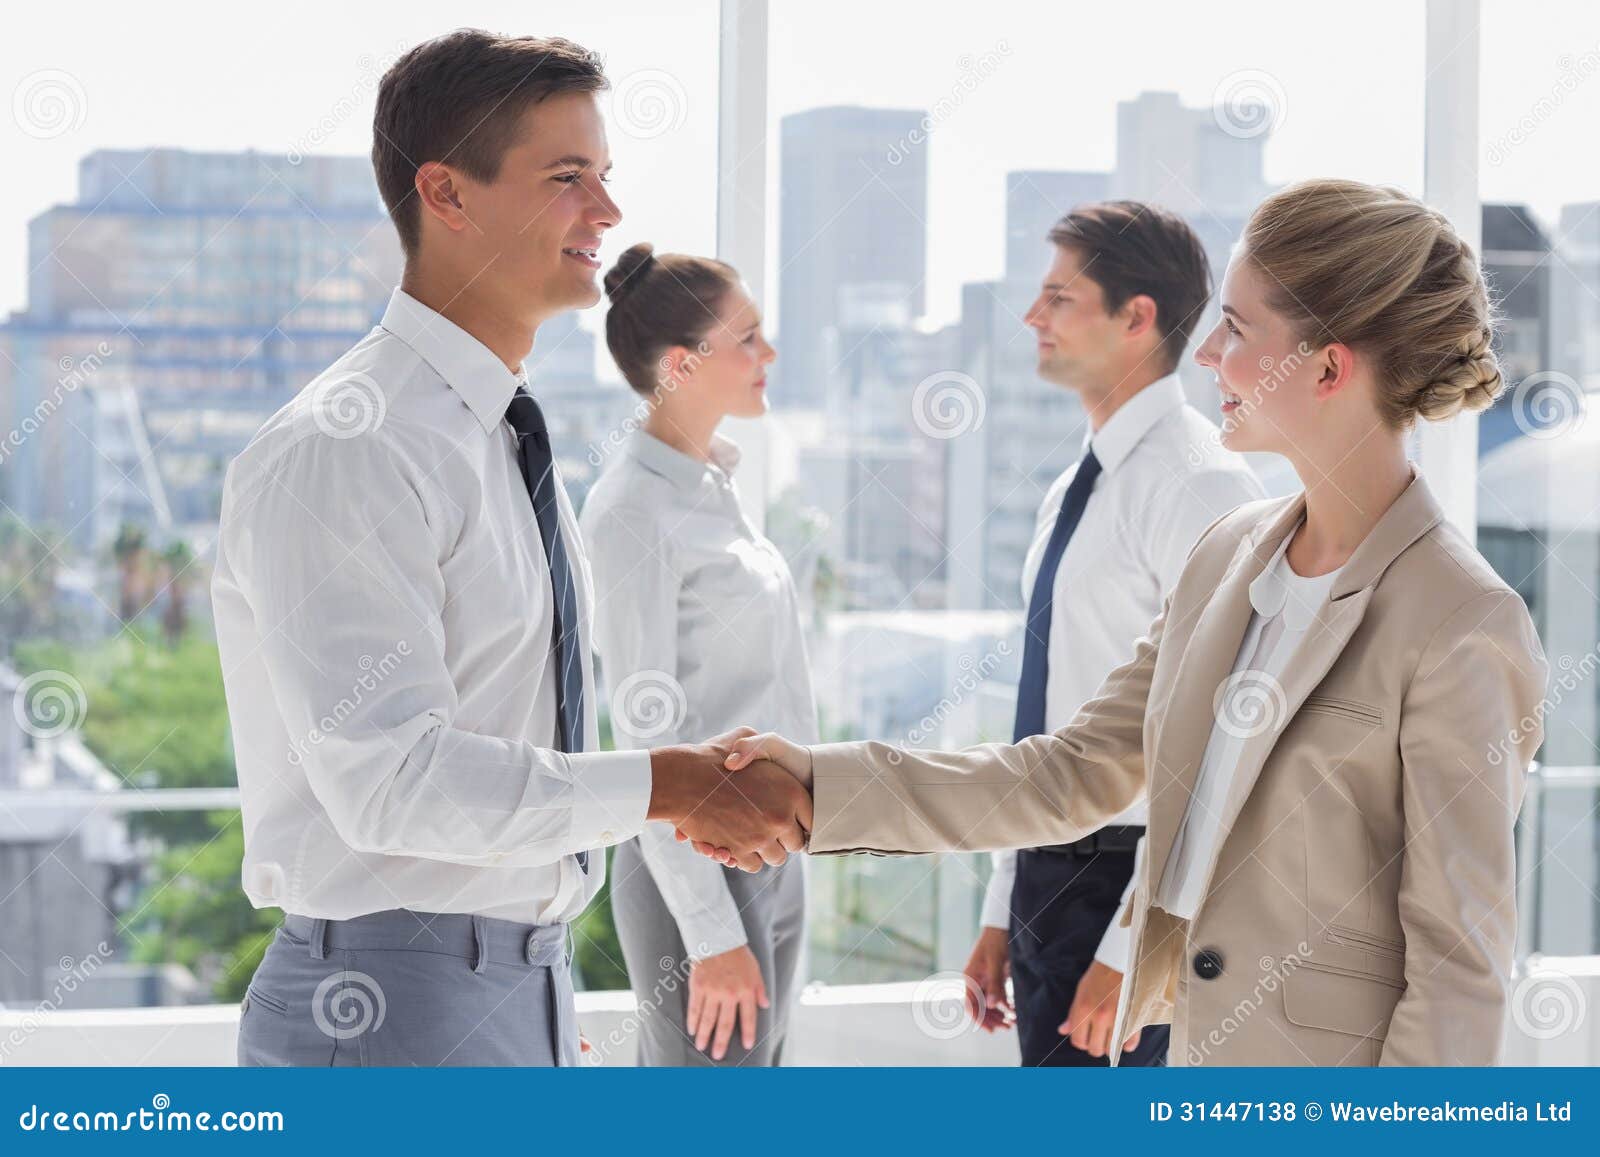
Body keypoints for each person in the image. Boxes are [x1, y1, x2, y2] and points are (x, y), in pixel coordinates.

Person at [710, 179, 1550, 1066]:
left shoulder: (1461, 623)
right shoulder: (1227, 558)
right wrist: (815, 784)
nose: (1208, 353)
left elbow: (1457, 974)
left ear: (1328, 368)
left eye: (1238, 329)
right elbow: (1069, 771)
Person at [215, 30, 807, 1068]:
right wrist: (668, 783)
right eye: (568, 177)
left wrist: (522, 981)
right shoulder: (351, 444)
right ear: (446, 193)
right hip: (391, 1006)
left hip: (507, 982)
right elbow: (393, 780)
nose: (608, 212)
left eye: (606, 175)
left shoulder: (497, 437)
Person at [962, 202, 1262, 1067]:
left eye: (1060, 297)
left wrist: (1133, 950)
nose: (1033, 316)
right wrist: (1002, 905)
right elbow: (1049, 708)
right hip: (1049, 875)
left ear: (1137, 317)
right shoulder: (1074, 488)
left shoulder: (1200, 485)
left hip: (1128, 886)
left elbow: (1218, 740)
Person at [581, 244, 815, 1066]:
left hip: (775, 852)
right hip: (698, 868)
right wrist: (712, 933)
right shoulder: (631, 512)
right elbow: (645, 732)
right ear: (682, 364)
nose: (768, 353)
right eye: (747, 338)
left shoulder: (715, 489)